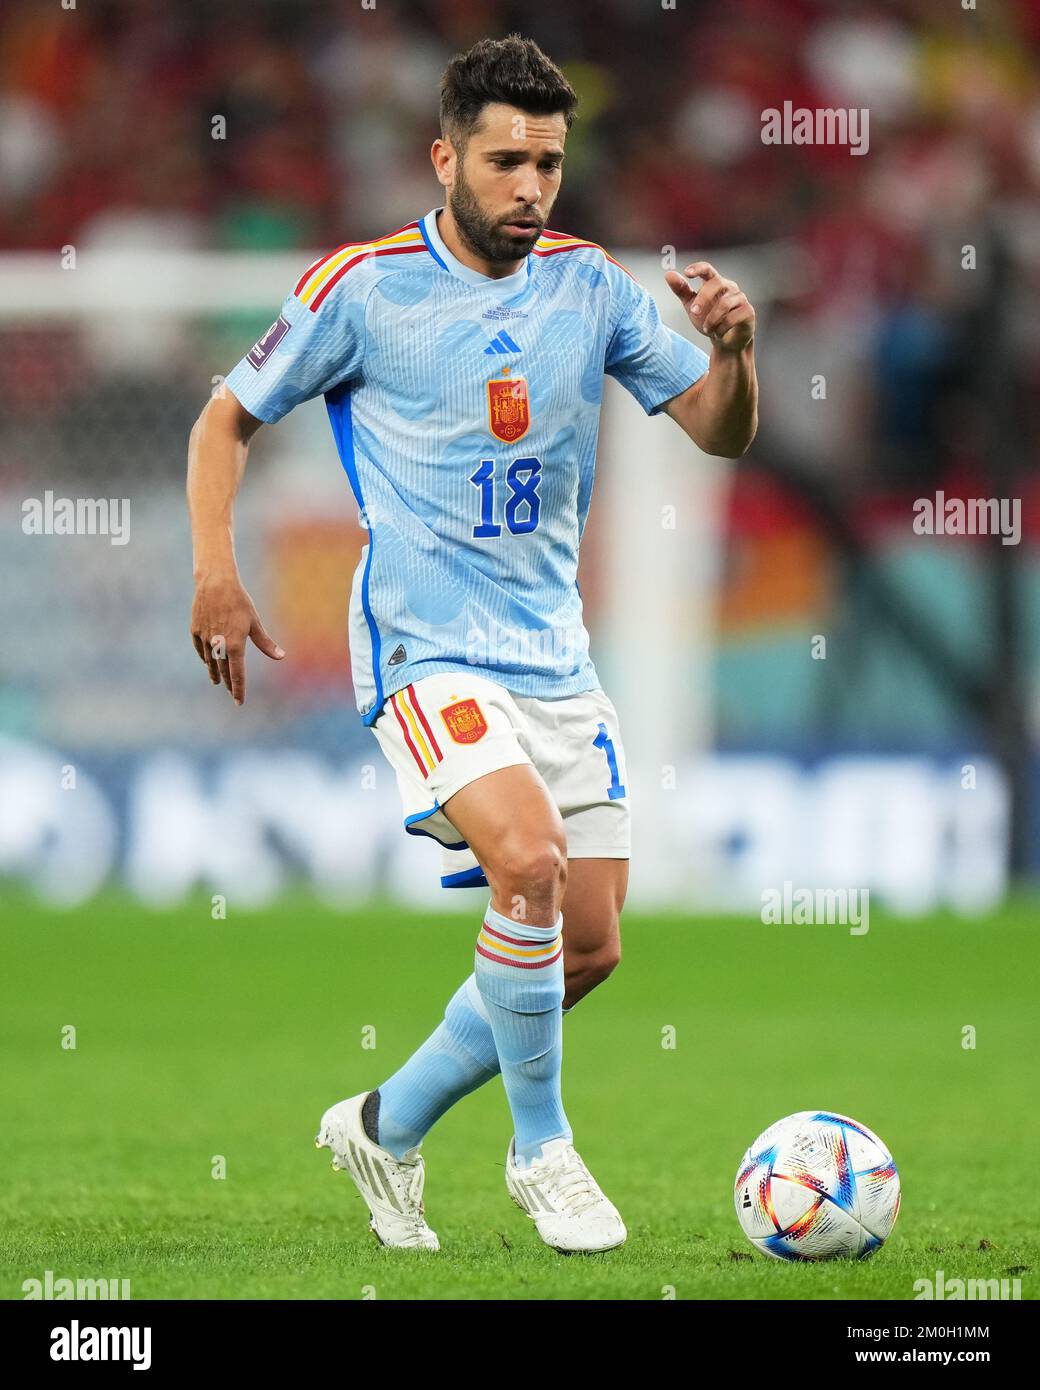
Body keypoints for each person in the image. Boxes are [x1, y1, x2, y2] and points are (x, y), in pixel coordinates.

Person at [186, 34, 757, 1254]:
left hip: (554, 653)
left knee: (589, 945)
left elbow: (718, 433)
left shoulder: (590, 285)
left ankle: (384, 1123)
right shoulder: (364, 286)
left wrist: (735, 357)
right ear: (442, 155)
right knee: (530, 865)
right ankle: (541, 1151)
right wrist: (215, 569)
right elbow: (225, 417)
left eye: (548, 162)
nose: (529, 186)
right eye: (505, 160)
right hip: (421, 646)